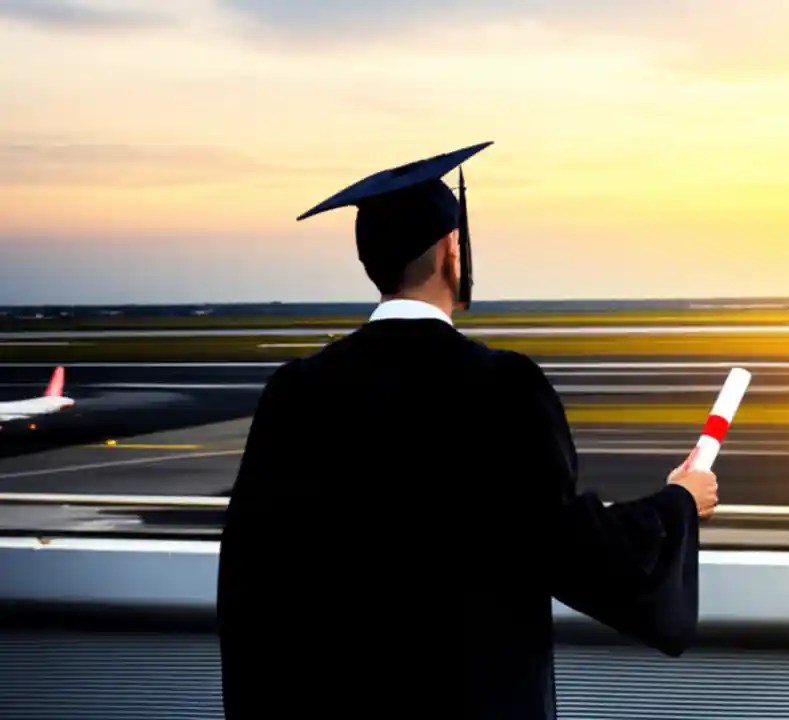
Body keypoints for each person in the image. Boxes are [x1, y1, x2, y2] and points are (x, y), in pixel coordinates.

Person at [216, 142, 719, 719]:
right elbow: (571, 549)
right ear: (453, 251)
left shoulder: (296, 394)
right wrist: (678, 503)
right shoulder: (503, 388)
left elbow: (249, 587)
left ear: (371, 262)